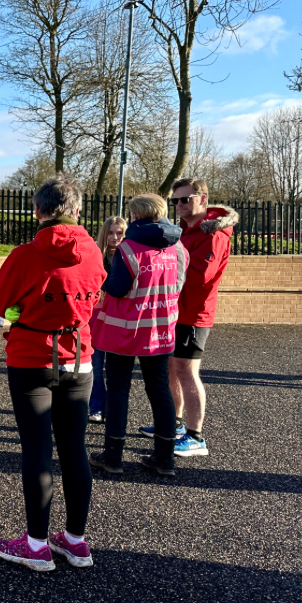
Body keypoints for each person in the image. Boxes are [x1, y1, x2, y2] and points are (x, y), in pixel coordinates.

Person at [0, 174, 106, 571]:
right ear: (77, 209)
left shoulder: (24, 255)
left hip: (33, 356)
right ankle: (75, 541)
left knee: (37, 449)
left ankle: (37, 544)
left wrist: (26, 308)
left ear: (37, 210)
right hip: (79, 357)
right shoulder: (94, 251)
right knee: (74, 448)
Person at [90, 195, 187, 477]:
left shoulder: (128, 248)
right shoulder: (179, 248)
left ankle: (113, 455)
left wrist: (102, 275)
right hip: (161, 328)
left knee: (119, 389)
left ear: (135, 216)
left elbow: (118, 288)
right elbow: (177, 284)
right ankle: (164, 457)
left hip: (126, 330)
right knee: (159, 389)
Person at [156, 178, 238, 457]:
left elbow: (200, 277)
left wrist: (165, 268)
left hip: (194, 312)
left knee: (186, 370)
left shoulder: (212, 234)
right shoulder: (185, 229)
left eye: (184, 199)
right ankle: (176, 424)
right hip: (177, 310)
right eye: (175, 200)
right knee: (171, 367)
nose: (178, 205)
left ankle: (196, 436)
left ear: (202, 199)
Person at [87, 217, 127, 424]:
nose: (114, 238)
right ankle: (96, 406)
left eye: (119, 233)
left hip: (118, 318)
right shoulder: (95, 255)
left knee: (114, 369)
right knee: (95, 365)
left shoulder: (128, 256)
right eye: (111, 233)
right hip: (96, 316)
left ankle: (112, 408)